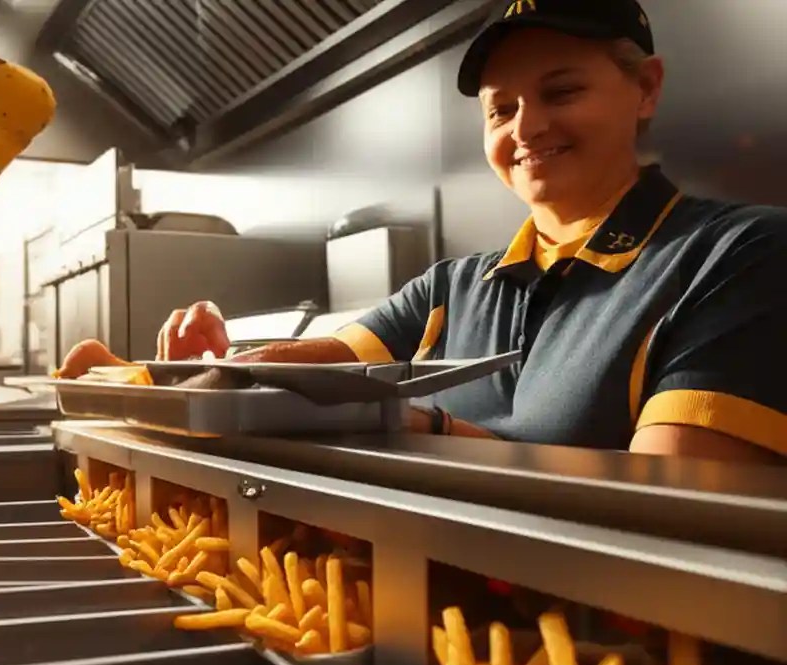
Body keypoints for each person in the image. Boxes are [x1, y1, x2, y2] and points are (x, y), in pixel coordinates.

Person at [59, 0, 786, 463]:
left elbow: (678, 501)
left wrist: (421, 428)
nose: (527, 128)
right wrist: (155, 375)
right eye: (501, 111)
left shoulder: (737, 256)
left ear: (646, 88)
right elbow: (322, 363)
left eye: (562, 91)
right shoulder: (453, 285)